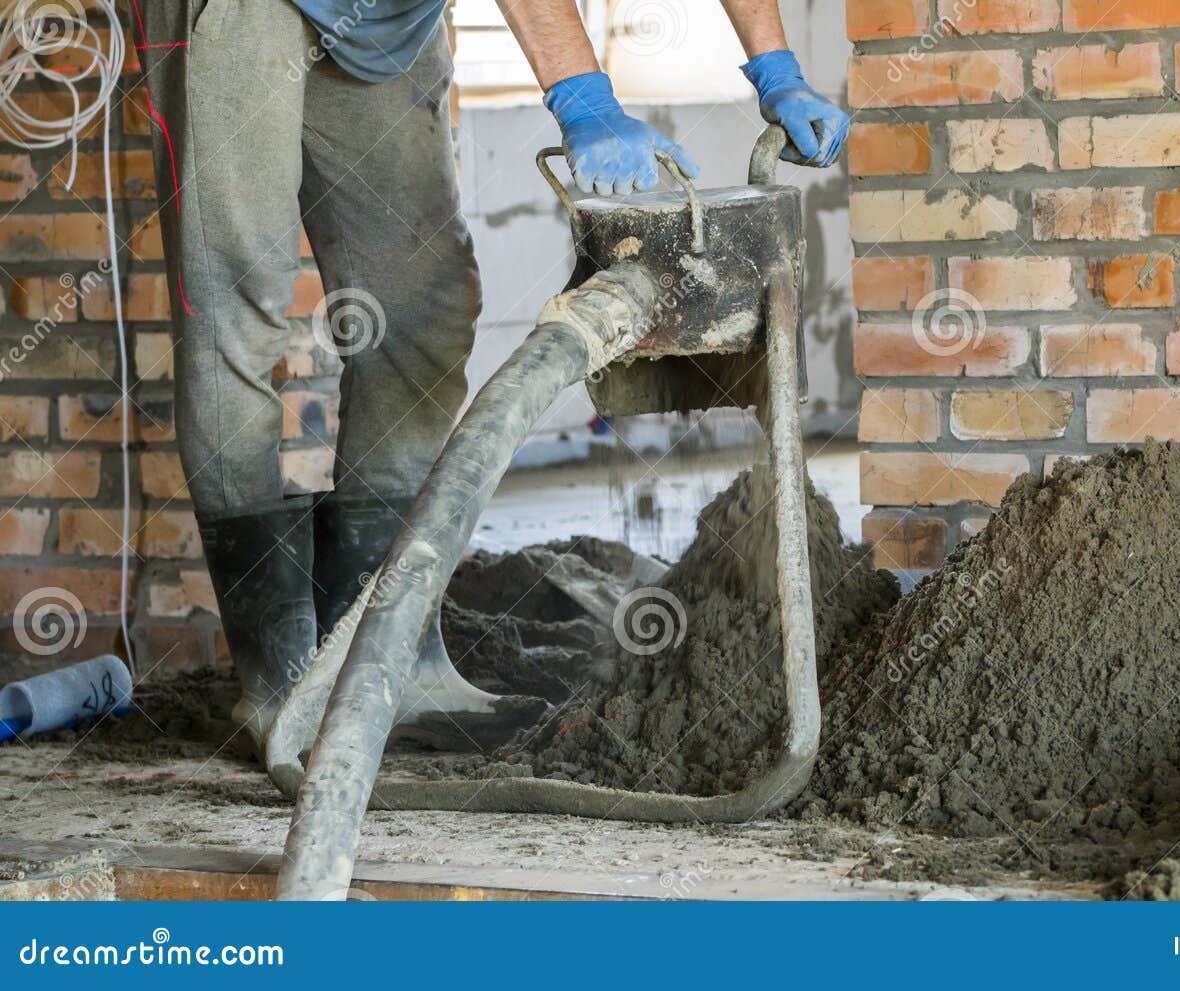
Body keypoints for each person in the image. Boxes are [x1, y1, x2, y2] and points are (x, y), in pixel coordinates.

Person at [131, 0, 850, 756]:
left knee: (424, 312)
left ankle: (383, 661)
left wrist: (777, 70)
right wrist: (584, 98)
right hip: (246, 13)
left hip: (379, 25)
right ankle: (278, 682)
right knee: (235, 315)